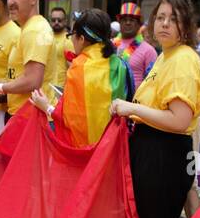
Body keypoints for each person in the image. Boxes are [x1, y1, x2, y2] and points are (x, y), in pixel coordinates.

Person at [109, 0, 200, 218]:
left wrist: (131, 108)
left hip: (164, 156)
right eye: (161, 17)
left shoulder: (183, 61)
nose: (165, 23)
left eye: (173, 19)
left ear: (186, 26)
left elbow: (179, 120)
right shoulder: (166, 55)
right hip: (151, 151)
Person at [34, 8, 131, 147]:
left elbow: (69, 120)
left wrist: (46, 106)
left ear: (81, 38)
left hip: (84, 151)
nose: (71, 39)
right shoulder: (119, 63)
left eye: (72, 34)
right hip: (110, 147)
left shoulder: (79, 67)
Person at [0, 0, 57, 127]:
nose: (10, 2)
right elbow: (24, 75)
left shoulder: (34, 30)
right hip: (23, 117)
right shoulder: (28, 28)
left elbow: (32, 80)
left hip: (30, 120)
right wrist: (2, 83)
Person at [115, 1, 157, 92]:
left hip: (134, 103)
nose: (128, 22)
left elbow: (152, 83)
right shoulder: (111, 45)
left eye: (132, 20)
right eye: (124, 19)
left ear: (139, 24)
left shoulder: (149, 50)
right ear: (119, 22)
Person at [48, 5, 71, 92]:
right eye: (53, 20)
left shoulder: (68, 40)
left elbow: (72, 68)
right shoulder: (46, 37)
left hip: (60, 89)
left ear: (65, 21)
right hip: (47, 86)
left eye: (59, 20)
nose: (56, 22)